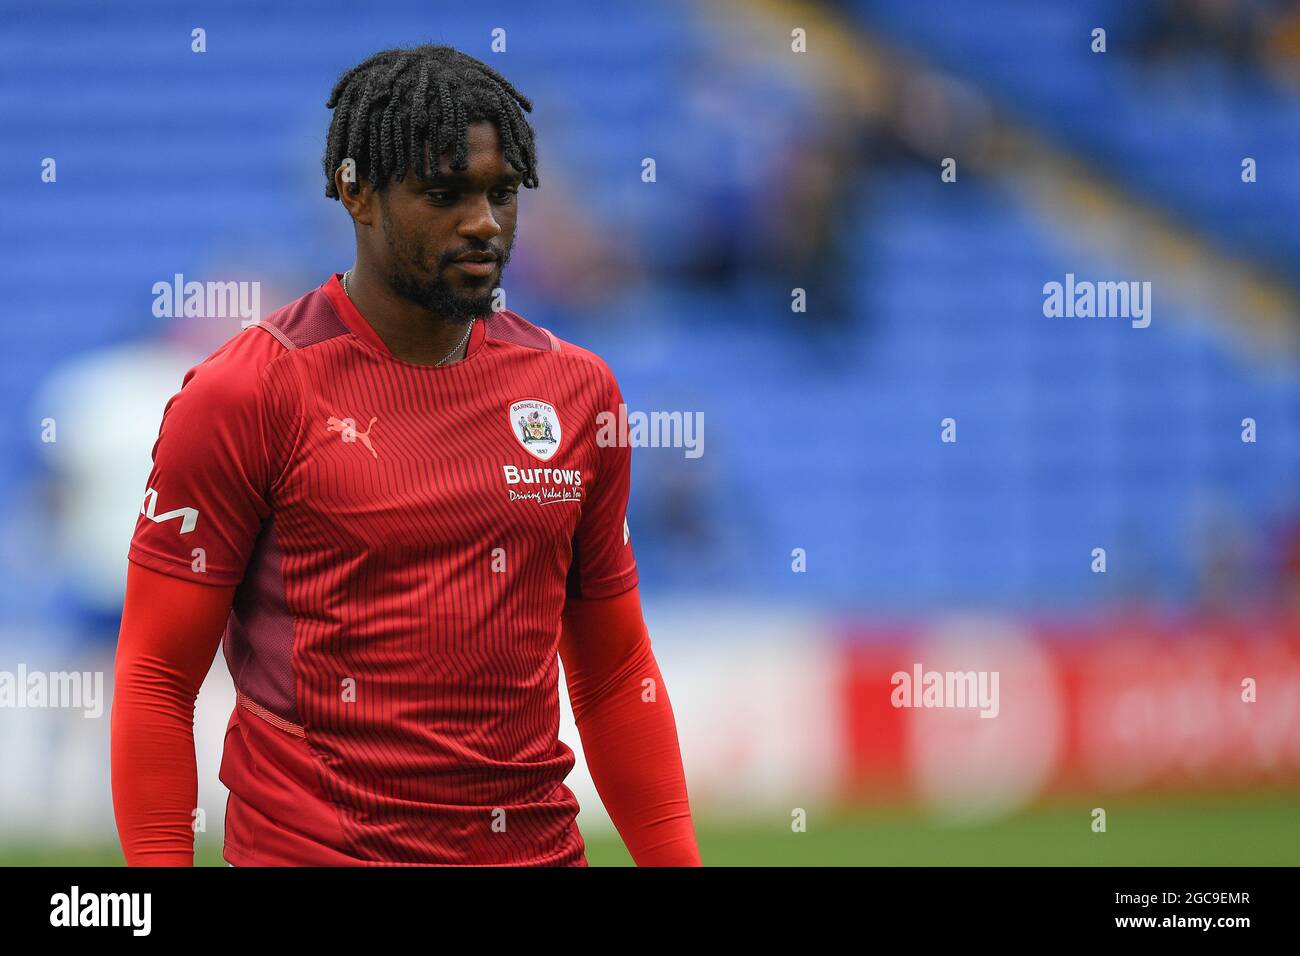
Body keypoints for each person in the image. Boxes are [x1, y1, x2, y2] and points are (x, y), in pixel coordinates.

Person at [111, 44, 700, 867]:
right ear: (356, 192)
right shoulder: (246, 393)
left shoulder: (578, 393)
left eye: (501, 193)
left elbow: (613, 672)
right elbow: (155, 680)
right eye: (444, 193)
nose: (484, 223)